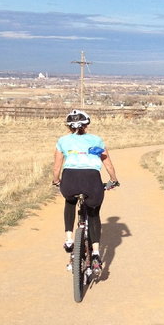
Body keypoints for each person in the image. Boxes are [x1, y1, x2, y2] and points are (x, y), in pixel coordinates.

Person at [52, 109, 118, 273]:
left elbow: (57, 167)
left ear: (68, 126)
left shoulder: (62, 141)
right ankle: (95, 254)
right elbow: (107, 164)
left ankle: (69, 239)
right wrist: (113, 180)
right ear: (86, 124)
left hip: (70, 180)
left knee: (70, 201)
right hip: (92, 180)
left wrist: (56, 180)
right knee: (94, 213)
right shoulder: (96, 140)